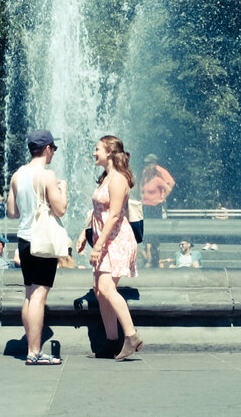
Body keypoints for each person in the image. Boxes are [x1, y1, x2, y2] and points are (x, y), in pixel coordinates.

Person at [6, 129, 68, 365]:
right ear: (47, 149)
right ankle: (34, 352)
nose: (54, 153)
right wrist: (63, 189)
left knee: (30, 293)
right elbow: (60, 209)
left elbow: (12, 212)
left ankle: (29, 347)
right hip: (41, 239)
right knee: (40, 295)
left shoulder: (17, 175)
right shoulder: (47, 175)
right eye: (54, 148)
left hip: (23, 238)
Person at [88, 135, 143, 361]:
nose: (94, 152)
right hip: (105, 239)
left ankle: (131, 336)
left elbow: (114, 216)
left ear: (109, 152)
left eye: (97, 148)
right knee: (100, 292)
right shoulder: (106, 177)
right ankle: (112, 341)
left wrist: (98, 246)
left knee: (107, 288)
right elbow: (99, 213)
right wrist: (86, 234)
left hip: (117, 240)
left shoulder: (118, 179)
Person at [140, 154, 175, 219]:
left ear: (154, 163)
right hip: (146, 204)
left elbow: (171, 183)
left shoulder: (160, 170)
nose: (147, 165)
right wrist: (142, 195)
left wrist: (163, 196)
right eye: (146, 163)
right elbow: (142, 183)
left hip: (157, 203)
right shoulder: (145, 171)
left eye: (149, 163)